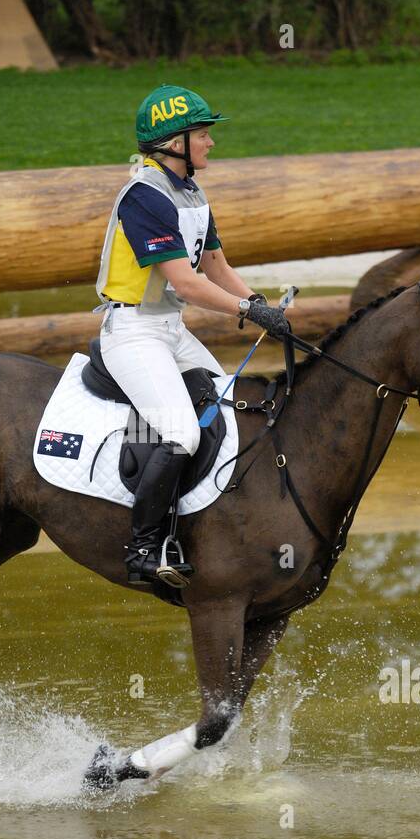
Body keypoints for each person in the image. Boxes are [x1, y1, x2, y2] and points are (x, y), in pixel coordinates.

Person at [93, 84, 291, 588]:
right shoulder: (144, 196)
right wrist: (246, 311)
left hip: (169, 329)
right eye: (202, 134)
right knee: (181, 431)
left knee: (224, 412)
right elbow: (184, 282)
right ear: (172, 142)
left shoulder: (191, 191)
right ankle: (141, 549)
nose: (210, 143)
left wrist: (260, 304)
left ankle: (196, 524)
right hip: (134, 333)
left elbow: (215, 264)